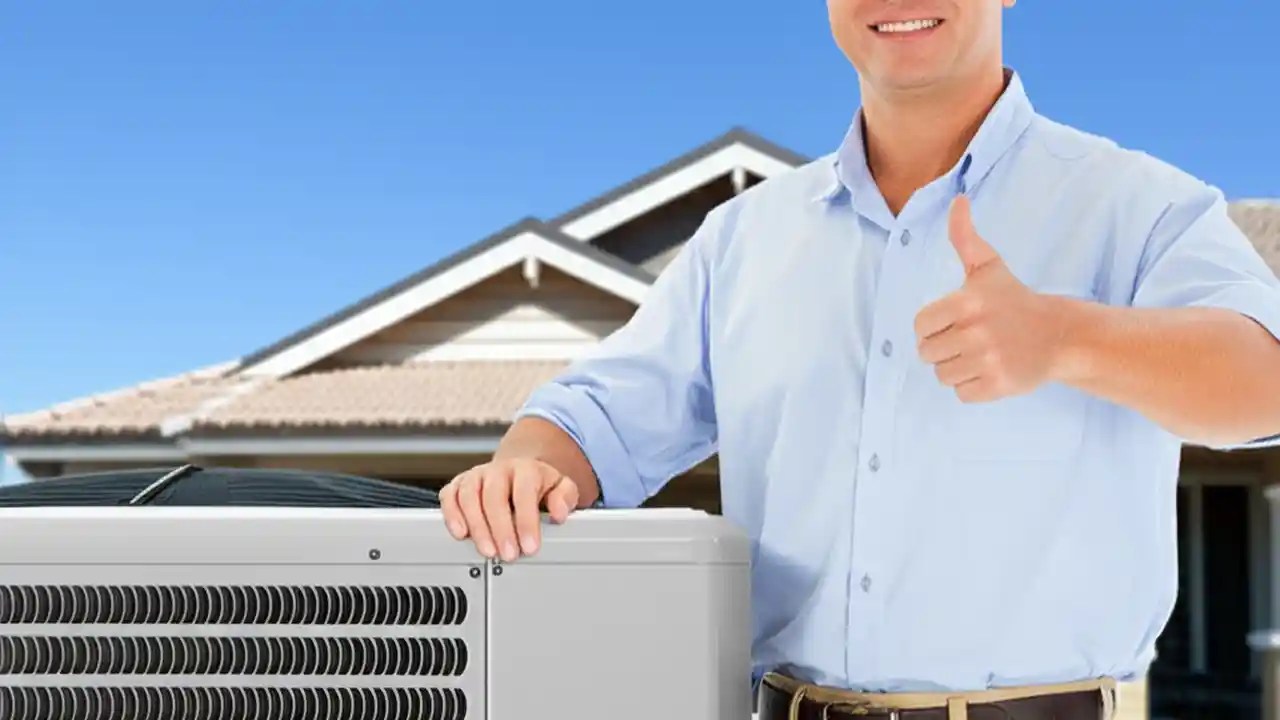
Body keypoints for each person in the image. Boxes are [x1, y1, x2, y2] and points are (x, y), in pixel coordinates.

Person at [441, 1, 1280, 717]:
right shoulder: (744, 240)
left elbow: (1266, 382)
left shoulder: (1136, 205)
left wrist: (1064, 339)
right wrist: (521, 469)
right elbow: (591, 424)